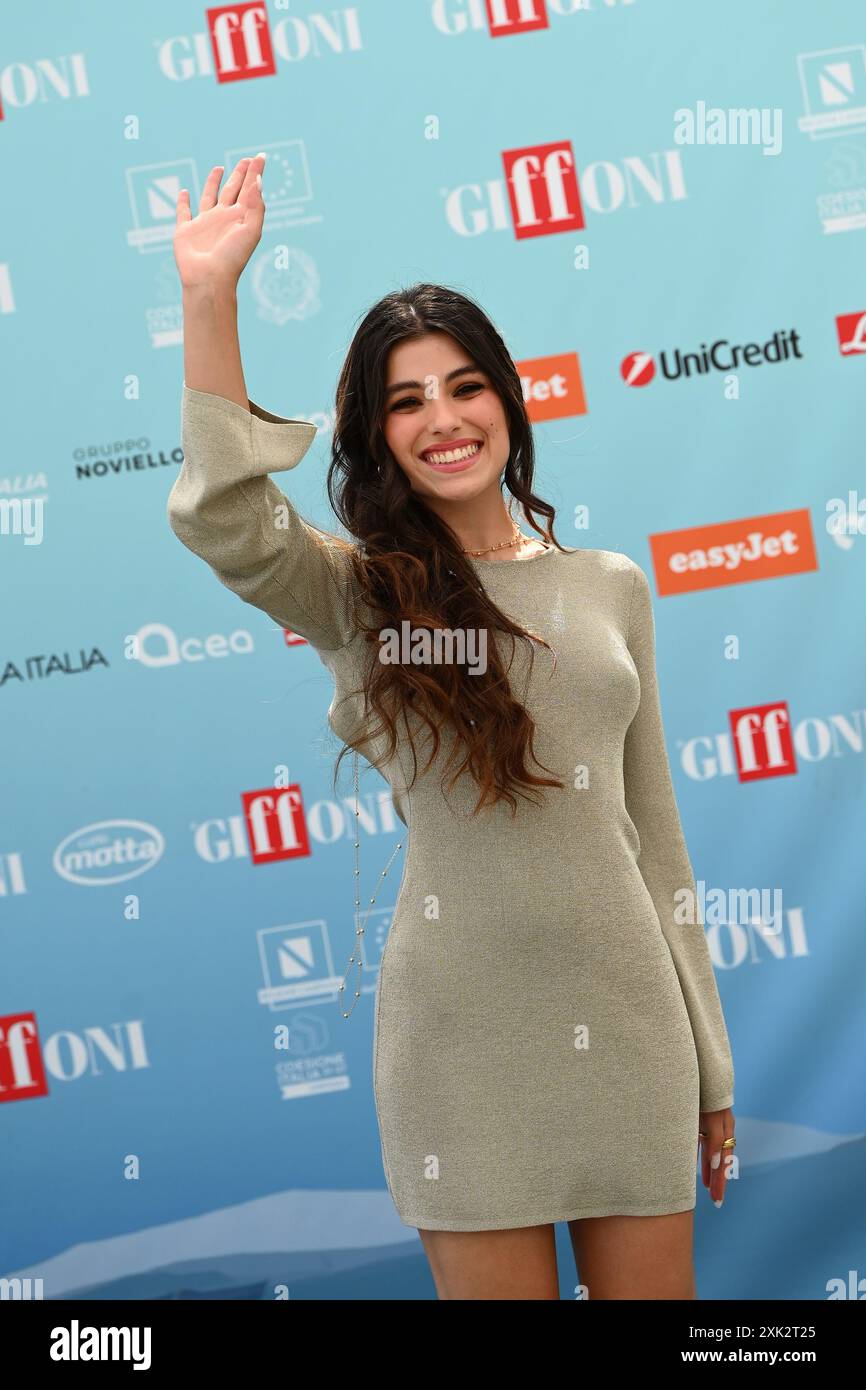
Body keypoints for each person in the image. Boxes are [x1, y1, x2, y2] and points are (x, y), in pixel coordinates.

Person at [168, 153, 736, 1301]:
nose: (442, 419)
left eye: (464, 385)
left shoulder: (611, 584)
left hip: (630, 1030)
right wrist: (208, 298)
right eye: (404, 400)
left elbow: (655, 840)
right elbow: (226, 518)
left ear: (506, 403)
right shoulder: (357, 596)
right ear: (376, 436)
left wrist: (710, 1067)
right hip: (461, 1050)